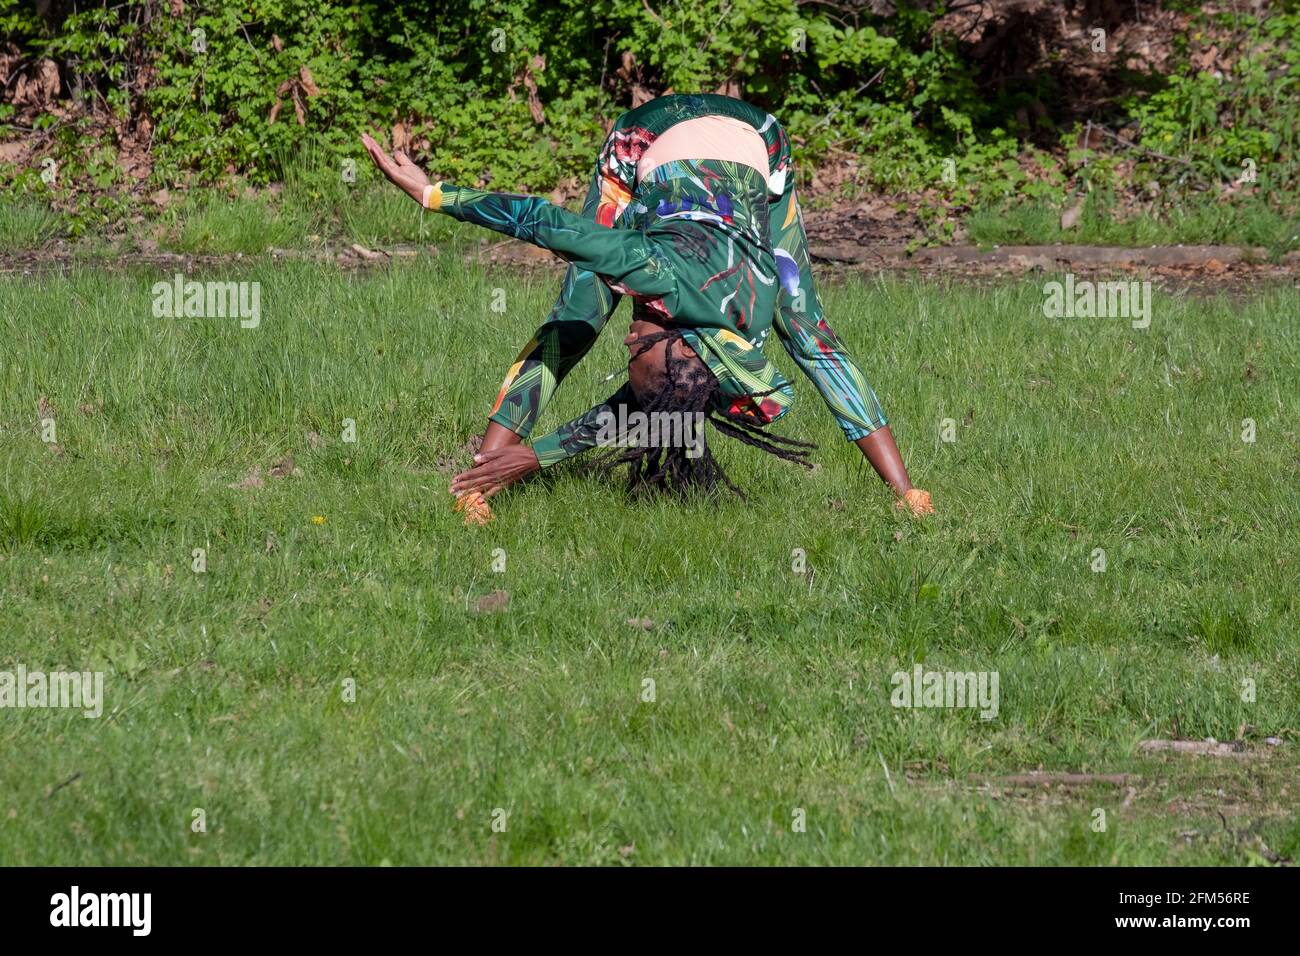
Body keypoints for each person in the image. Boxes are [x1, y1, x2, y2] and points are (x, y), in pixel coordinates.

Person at [361, 93, 933, 523]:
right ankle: (479, 480)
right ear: (672, 331)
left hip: (765, 149)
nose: (628, 341)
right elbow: (547, 221)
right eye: (635, 348)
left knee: (806, 329)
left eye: (632, 349)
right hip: (653, 133)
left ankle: (910, 495)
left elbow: (647, 404)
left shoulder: (735, 345)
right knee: (580, 314)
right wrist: (433, 194)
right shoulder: (651, 268)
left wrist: (537, 457)